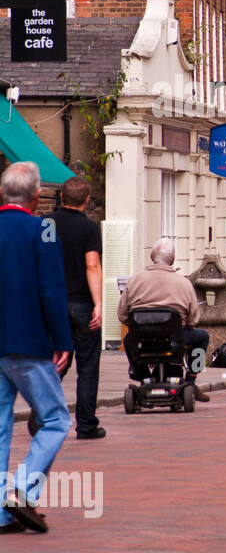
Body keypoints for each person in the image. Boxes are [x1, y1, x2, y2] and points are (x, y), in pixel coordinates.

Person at [0, 162, 74, 535]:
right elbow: (51, 290)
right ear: (35, 196)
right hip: (27, 340)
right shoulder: (42, 228)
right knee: (56, 419)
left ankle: (1, 513)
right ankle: (22, 490)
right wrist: (62, 339)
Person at [118, 237, 212, 403]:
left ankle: (141, 373)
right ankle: (191, 378)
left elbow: (123, 314)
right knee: (202, 337)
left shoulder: (135, 281)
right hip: (175, 338)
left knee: (128, 340)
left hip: (141, 339)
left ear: (151, 256)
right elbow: (193, 319)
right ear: (173, 259)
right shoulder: (183, 283)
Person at [48, 175, 105, 441]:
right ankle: (86, 424)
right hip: (81, 302)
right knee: (88, 366)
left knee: (54, 363)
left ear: (61, 198)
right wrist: (98, 304)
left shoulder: (46, 224)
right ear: (86, 200)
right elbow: (92, 265)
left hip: (52, 302)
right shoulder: (89, 228)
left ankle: (41, 418)